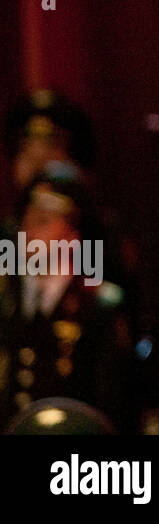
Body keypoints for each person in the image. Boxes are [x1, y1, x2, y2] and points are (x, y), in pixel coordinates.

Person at [0, 164, 131, 430]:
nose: (30, 233)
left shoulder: (98, 304)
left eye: (44, 222)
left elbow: (110, 404)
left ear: (72, 236)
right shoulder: (5, 293)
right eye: (27, 220)